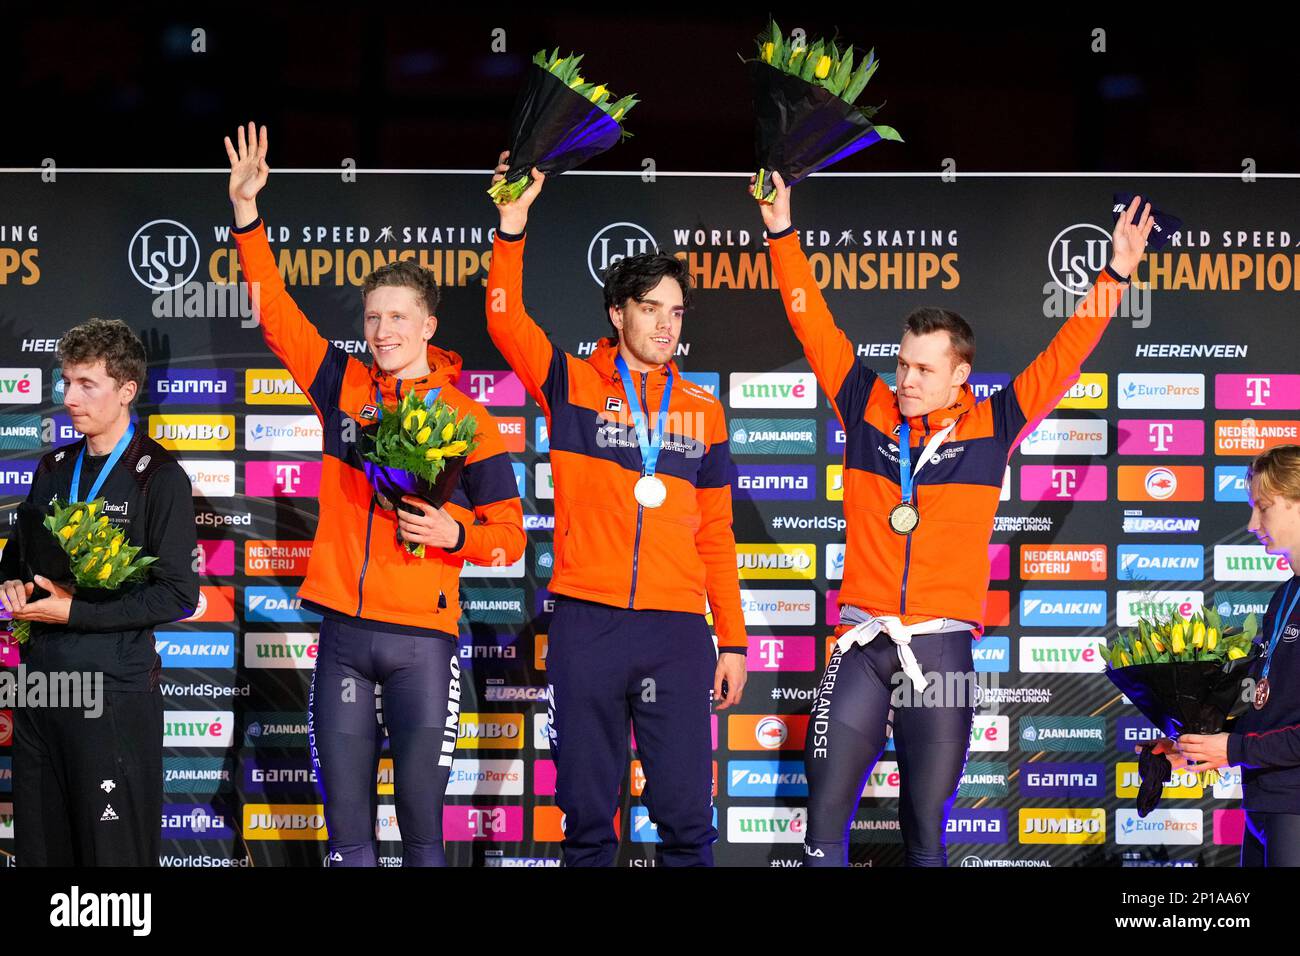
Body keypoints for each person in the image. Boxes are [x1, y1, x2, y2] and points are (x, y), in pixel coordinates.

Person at [752, 171, 1152, 866]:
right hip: (860, 644)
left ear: (960, 374)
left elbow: (1066, 355)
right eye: (902, 364)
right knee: (820, 830)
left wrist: (1115, 271)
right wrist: (781, 230)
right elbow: (808, 316)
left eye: (923, 371)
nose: (906, 380)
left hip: (940, 654)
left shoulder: (994, 423)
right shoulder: (863, 401)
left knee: (926, 834)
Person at [224, 123, 524, 866]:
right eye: (372, 318)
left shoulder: (469, 418)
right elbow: (276, 316)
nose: (382, 331)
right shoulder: (345, 387)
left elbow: (512, 535)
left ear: (428, 324)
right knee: (348, 838)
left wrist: (456, 536)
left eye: (397, 317)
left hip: (425, 641)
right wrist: (248, 218)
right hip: (347, 639)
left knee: (424, 834)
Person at [485, 153, 748, 866]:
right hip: (586, 625)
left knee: (689, 822)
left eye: (676, 313)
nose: (666, 327)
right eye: (650, 309)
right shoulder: (571, 384)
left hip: (675, 633)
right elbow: (505, 322)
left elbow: (717, 537)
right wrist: (512, 229)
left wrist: (733, 641)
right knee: (589, 826)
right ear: (617, 312)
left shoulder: (704, 411)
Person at [0, 318, 199, 866]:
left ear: (127, 390)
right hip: (40, 692)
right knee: (41, 853)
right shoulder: (53, 467)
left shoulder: (159, 477)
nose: (69, 398)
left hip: (112, 693)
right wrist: (12, 587)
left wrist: (77, 611)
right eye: (66, 382)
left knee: (113, 865)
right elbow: (14, 563)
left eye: (87, 384)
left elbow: (178, 595)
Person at [1156, 444, 1300, 866]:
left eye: (1264, 507)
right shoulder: (1286, 594)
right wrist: (1194, 741)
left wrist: (1232, 751)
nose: (1252, 522)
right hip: (1264, 800)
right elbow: (1267, 698)